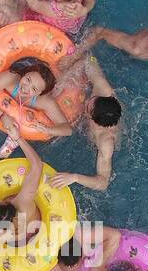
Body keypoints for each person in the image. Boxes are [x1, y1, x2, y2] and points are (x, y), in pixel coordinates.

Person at [46, 58, 121, 192]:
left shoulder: (105, 142)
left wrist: (74, 177)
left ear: (93, 120)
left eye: (87, 108)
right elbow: (88, 59)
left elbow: (103, 183)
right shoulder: (103, 89)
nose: (86, 102)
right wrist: (61, 84)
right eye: (92, 99)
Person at [0, 59, 72, 143]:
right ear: (26, 73)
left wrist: (48, 129)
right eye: (28, 79)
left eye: (34, 89)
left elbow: (67, 129)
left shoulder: (44, 101)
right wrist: (2, 116)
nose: (25, 88)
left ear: (39, 94)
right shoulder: (10, 79)